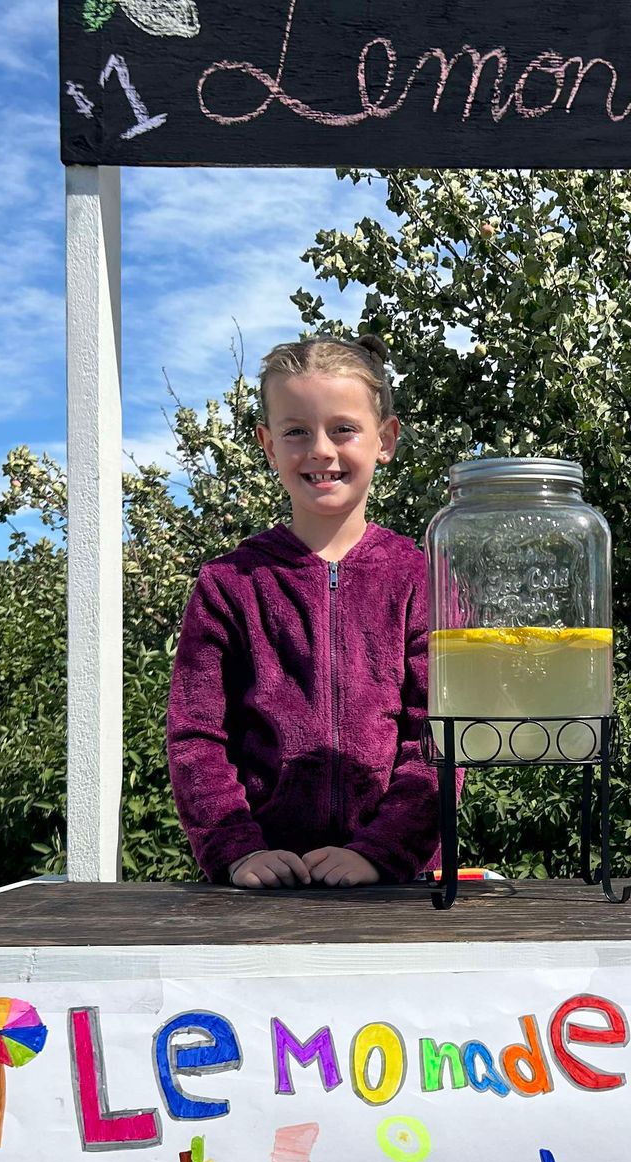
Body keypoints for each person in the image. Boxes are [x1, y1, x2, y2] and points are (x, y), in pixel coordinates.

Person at [167, 334, 439, 888]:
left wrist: (382, 851)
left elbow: (440, 735)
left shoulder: (422, 578)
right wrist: (238, 850)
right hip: (262, 884)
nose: (320, 449)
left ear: (385, 439)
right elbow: (196, 736)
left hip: (397, 886)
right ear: (268, 446)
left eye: (343, 428)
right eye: (296, 431)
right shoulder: (228, 585)